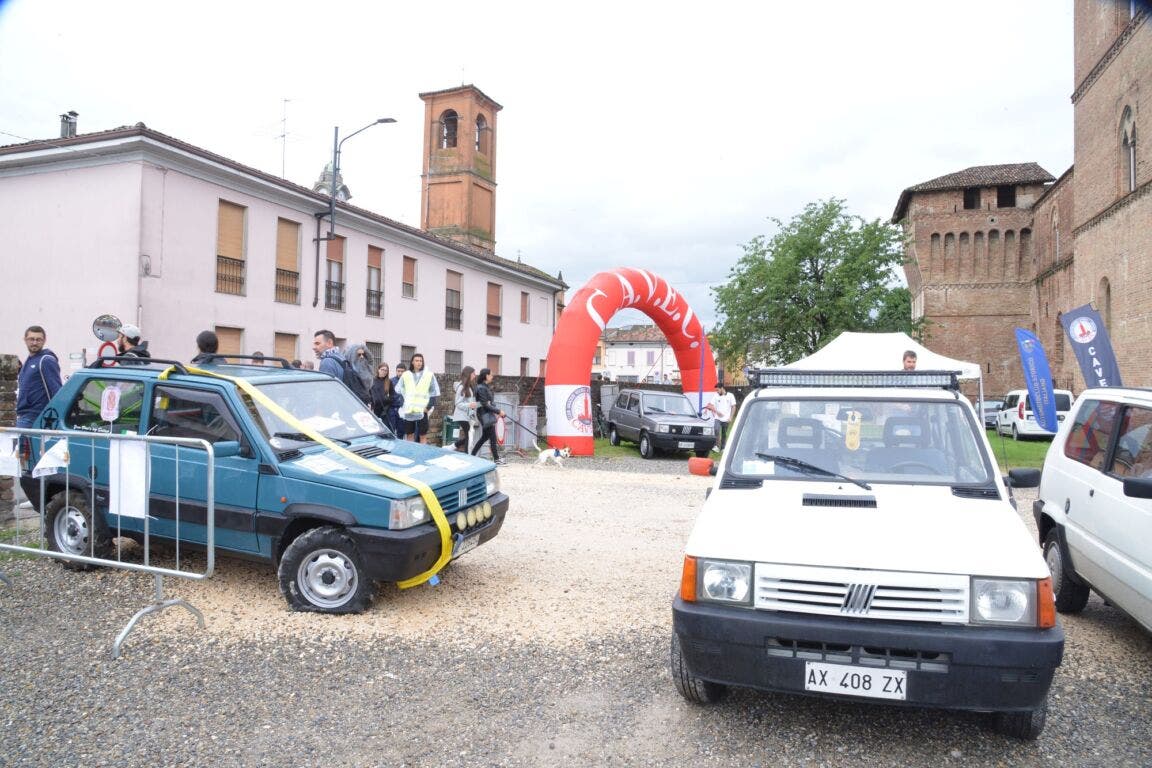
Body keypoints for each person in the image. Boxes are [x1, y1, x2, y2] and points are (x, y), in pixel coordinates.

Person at [16, 325, 62, 428]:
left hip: (35, 416)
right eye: (31, 339)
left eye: (38, 339)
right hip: (23, 415)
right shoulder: (29, 361)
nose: (35, 342)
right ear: (25, 340)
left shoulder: (46, 360)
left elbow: (56, 390)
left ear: (44, 341)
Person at [396, 353, 440, 443]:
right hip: (409, 409)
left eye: (421, 361)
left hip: (422, 410)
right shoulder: (406, 375)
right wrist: (402, 404)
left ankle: (421, 454)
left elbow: (434, 393)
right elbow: (399, 391)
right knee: (409, 434)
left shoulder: (428, 375)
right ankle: (410, 453)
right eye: (417, 360)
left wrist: (428, 407)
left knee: (422, 435)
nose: (419, 362)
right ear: (412, 362)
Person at [470, 368, 506, 465]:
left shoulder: (484, 387)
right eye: (491, 375)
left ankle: (472, 455)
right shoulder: (481, 388)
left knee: (485, 437)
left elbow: (489, 402)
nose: (492, 376)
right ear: (486, 376)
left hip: (486, 414)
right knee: (492, 436)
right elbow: (485, 404)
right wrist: (498, 411)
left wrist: (494, 408)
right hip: (484, 415)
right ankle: (496, 459)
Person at [450, 366, 478, 451]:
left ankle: (453, 446)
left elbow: (470, 403)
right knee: (469, 436)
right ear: (468, 374)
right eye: (473, 373)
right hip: (462, 416)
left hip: (467, 416)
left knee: (469, 436)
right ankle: (466, 455)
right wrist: (469, 405)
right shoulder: (462, 387)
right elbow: (458, 403)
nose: (475, 375)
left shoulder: (469, 386)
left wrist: (478, 405)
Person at [704, 383, 737, 452]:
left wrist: (731, 417)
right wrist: (717, 412)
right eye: (716, 390)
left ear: (722, 388)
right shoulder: (716, 396)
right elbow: (710, 405)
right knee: (716, 429)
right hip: (717, 418)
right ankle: (716, 446)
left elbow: (733, 406)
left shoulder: (730, 395)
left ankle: (723, 448)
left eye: (718, 390)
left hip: (726, 418)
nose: (717, 391)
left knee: (724, 433)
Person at [369, 362, 400, 433]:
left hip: (385, 411)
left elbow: (393, 396)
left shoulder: (389, 382)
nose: (384, 372)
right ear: (378, 370)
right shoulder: (372, 381)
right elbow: (369, 394)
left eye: (386, 370)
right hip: (374, 411)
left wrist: (386, 399)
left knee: (386, 432)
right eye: (382, 369)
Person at [389, 362, 407, 435]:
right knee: (391, 431)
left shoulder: (408, 382)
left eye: (402, 371)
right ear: (396, 371)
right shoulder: (391, 381)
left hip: (403, 409)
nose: (400, 373)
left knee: (401, 431)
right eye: (398, 371)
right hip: (392, 409)